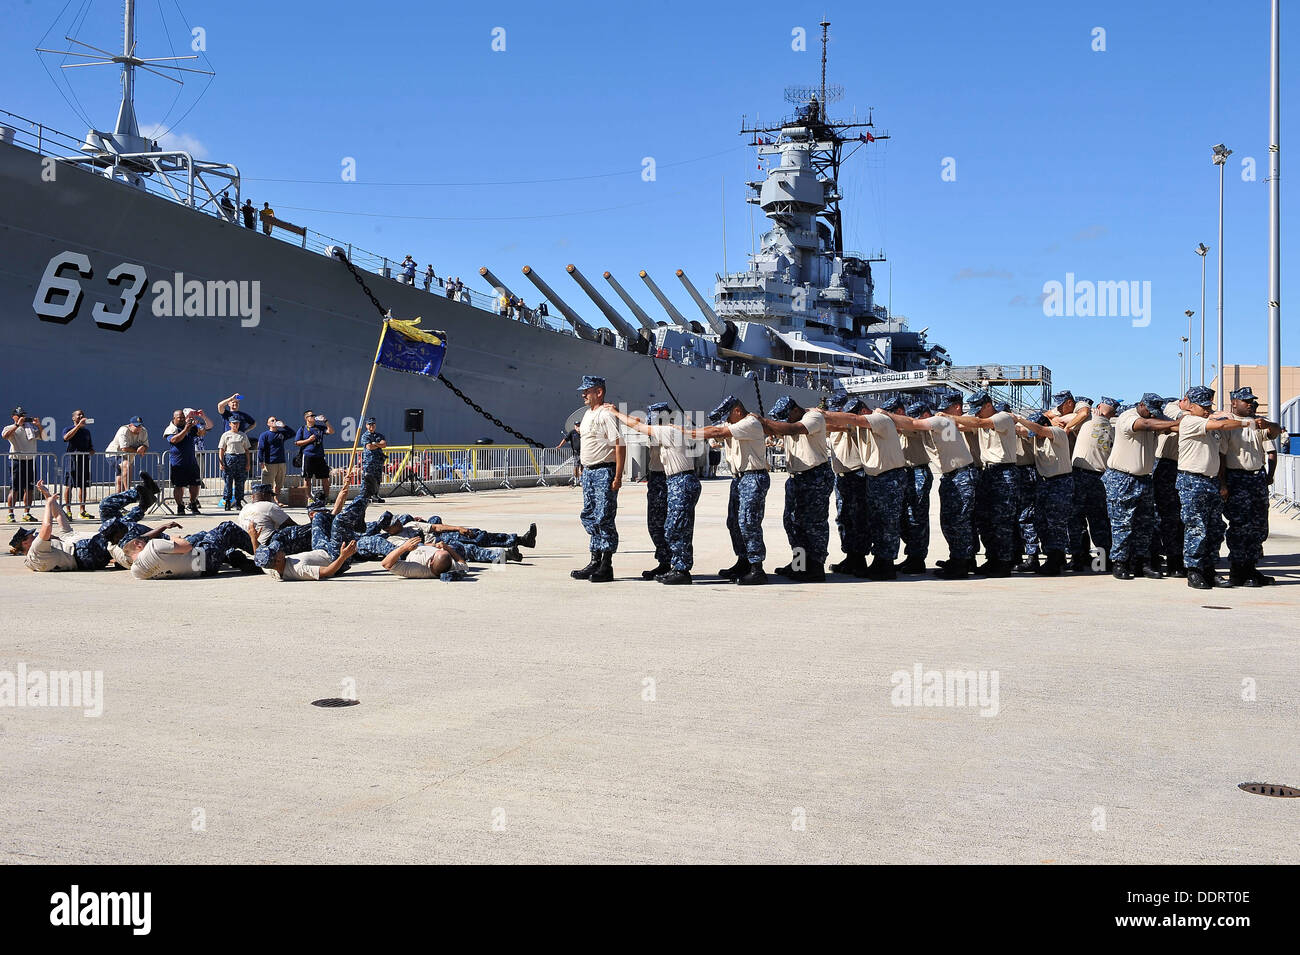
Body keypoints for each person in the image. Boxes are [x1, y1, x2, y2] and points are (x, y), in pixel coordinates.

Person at [605, 402, 700, 584]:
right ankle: (666, 561)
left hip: (676, 479)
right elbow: (638, 423)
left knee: (676, 526)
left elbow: (638, 425)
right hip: (661, 479)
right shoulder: (661, 430)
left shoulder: (668, 431)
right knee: (657, 524)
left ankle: (681, 568)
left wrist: (616, 412)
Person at [1176, 385, 1253, 589]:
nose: (1207, 409)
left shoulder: (1209, 423)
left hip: (1210, 481)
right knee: (1196, 527)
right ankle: (1194, 570)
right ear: (1191, 406)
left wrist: (1221, 483)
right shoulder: (1190, 421)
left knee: (1214, 528)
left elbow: (1219, 455)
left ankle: (1209, 568)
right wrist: (1246, 423)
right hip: (1192, 481)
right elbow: (1220, 425)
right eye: (1202, 406)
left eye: (1208, 405)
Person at [1102, 392, 1180, 580]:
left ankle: (1140, 562)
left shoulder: (1152, 418)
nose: (1153, 415)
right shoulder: (1128, 417)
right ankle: (1120, 563)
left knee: (1145, 524)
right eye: (1150, 411)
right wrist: (1175, 423)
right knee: (1122, 524)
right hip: (1122, 478)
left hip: (1144, 479)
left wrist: (1179, 422)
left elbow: (1165, 426)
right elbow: (1146, 425)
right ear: (1142, 405)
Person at [760, 395, 833, 582]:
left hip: (815, 475)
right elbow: (779, 429)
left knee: (814, 524)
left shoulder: (812, 417)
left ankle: (816, 568)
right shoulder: (790, 421)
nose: (785, 421)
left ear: (794, 410)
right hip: (796, 477)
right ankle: (799, 564)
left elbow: (794, 429)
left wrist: (764, 421)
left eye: (787, 416)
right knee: (792, 522)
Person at [915, 391, 985, 579]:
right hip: (954, 475)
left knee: (960, 521)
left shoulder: (952, 421)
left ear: (956, 407)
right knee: (952, 521)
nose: (942, 413)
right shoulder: (948, 423)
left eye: (946, 409)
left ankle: (962, 562)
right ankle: (961, 559)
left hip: (964, 474)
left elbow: (973, 424)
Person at [1220, 386, 1284, 587]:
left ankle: (1251, 567)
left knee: (1258, 525)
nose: (1250, 404)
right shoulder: (1228, 425)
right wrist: (1223, 484)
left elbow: (1274, 431)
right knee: (1240, 526)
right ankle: (1238, 570)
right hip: (1237, 478)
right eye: (1245, 401)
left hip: (1256, 477)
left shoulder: (1257, 422)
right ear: (1234, 403)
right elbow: (1222, 456)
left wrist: (1267, 423)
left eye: (1251, 401)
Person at [570, 376, 624, 583]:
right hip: (590, 472)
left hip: (604, 471)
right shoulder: (587, 414)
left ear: (599, 392)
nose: (583, 394)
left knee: (604, 517)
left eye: (587, 391)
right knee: (590, 515)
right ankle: (595, 560)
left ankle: (606, 565)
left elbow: (620, 445)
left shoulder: (606, 414)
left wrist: (618, 476)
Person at [11, 481, 125, 572]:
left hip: (84, 560)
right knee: (114, 531)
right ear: (25, 543)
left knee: (115, 543)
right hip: (82, 552)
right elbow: (46, 527)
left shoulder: (59, 543)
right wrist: (48, 504)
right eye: (32, 535)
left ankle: (124, 559)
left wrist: (47, 495)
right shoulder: (36, 549)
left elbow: (59, 516)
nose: (36, 535)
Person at [966, 391, 1020, 576]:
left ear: (988, 405)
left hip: (1004, 472)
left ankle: (1004, 562)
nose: (977, 414)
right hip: (987, 472)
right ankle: (993, 558)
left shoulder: (1002, 417)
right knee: (985, 519)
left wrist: (947, 416)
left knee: (1002, 520)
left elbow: (980, 423)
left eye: (979, 409)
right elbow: (967, 425)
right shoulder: (982, 419)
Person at [1013, 412, 1073, 575]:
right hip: (1044, 482)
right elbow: (1024, 431)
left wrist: (1019, 419)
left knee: (1056, 523)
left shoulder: (1057, 433)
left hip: (1059, 482)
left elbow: (1038, 429)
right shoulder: (1035, 437)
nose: (1033, 435)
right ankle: (1054, 556)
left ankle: (1055, 559)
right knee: (1041, 522)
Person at [1068, 395, 1117, 572]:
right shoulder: (1111, 427)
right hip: (1097, 477)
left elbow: (1057, 417)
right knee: (1098, 521)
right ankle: (1101, 561)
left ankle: (1080, 558)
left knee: (1077, 519)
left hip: (1083, 474)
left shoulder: (1089, 417)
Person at [823, 395, 869, 578]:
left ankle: (860, 559)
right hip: (841, 477)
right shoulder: (836, 424)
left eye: (837, 409)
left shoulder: (851, 421)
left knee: (859, 519)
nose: (835, 412)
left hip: (857, 475)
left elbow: (841, 424)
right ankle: (850, 556)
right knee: (844, 519)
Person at [125, 520, 259, 578]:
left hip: (204, 571)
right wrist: (172, 538)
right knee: (226, 528)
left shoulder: (137, 572)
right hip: (205, 557)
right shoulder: (152, 547)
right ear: (138, 545)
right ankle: (261, 554)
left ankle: (237, 559)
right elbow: (186, 546)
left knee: (199, 537)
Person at [897, 397, 935, 574]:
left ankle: (918, 558)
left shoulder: (921, 427)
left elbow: (908, 427)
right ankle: (911, 555)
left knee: (917, 517)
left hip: (918, 472)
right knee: (906, 517)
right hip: (907, 473)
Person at [166, 408, 207, 514]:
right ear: (174, 418)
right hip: (178, 463)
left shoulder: (189, 427)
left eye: (183, 417)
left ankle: (193, 503)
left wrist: (198, 426)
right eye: (179, 417)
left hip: (191, 462)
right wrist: (185, 430)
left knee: (195, 484)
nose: (182, 419)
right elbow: (174, 440)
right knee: (179, 486)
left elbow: (201, 433)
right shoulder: (170, 429)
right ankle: (180, 506)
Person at [4, 406, 41, 523]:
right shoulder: (10, 427)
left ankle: (27, 513)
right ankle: (10, 514)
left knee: (29, 488)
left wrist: (38, 425)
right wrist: (17, 425)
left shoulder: (30, 428)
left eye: (23, 416)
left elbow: (43, 436)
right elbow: (5, 436)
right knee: (14, 489)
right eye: (19, 416)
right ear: (14, 417)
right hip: (16, 461)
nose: (22, 418)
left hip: (29, 460)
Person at [236, 483, 295, 552]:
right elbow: (291, 524)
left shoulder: (245, 508)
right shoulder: (269, 506)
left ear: (253, 497)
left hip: (248, 546)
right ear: (265, 495)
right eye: (271, 496)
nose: (272, 499)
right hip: (266, 545)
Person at [380, 536, 469, 580]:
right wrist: (447, 548)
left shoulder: (417, 569)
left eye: (435, 553)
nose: (440, 549)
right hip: (422, 544)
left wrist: (404, 547)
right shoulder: (450, 566)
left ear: (430, 562)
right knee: (458, 547)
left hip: (406, 550)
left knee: (379, 541)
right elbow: (463, 564)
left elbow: (386, 564)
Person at [295, 410, 335, 500]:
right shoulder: (302, 429)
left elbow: (331, 431)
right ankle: (309, 497)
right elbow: (297, 442)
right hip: (308, 456)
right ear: (306, 418)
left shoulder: (319, 428)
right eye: (311, 415)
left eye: (314, 415)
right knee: (307, 478)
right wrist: (309, 440)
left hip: (320, 456)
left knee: (325, 477)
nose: (313, 417)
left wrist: (326, 421)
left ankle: (326, 497)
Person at [62, 409, 94, 519]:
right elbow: (66, 438)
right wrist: (78, 426)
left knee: (83, 486)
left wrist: (91, 450)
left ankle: (82, 511)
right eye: (78, 414)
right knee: (69, 486)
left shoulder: (86, 432)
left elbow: (90, 446)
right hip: (71, 460)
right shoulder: (68, 429)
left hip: (84, 461)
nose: (81, 416)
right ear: (73, 418)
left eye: (82, 414)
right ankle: (68, 511)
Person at [105, 416, 150, 493]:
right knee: (127, 465)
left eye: (140, 425)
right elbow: (124, 448)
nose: (139, 428)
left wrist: (143, 447)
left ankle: (118, 500)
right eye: (136, 426)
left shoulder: (144, 431)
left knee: (120, 481)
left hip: (128, 457)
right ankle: (128, 492)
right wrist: (138, 451)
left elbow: (146, 445)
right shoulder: (124, 430)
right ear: (130, 425)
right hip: (114, 454)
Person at [217, 417, 253, 511]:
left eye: (237, 423)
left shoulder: (243, 435)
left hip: (241, 458)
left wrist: (248, 463)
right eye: (233, 423)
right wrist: (221, 462)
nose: (235, 425)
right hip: (229, 458)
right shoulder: (226, 435)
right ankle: (227, 501)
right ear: (230, 424)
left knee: (240, 482)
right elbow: (221, 449)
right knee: (228, 481)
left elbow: (247, 450)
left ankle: (238, 501)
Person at [257, 416, 296, 497]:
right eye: (272, 420)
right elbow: (261, 448)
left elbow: (293, 433)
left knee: (279, 484)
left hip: (281, 462)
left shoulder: (281, 434)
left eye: (276, 420)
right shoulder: (264, 435)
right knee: (267, 483)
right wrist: (261, 461)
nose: (275, 421)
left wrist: (284, 426)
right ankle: (267, 499)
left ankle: (276, 500)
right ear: (268, 424)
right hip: (270, 462)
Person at [358, 417, 387, 502]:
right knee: (367, 478)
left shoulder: (379, 435)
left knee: (377, 478)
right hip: (369, 461)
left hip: (378, 460)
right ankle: (364, 496)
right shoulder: (365, 436)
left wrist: (375, 443)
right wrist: (378, 444)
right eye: (369, 424)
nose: (372, 426)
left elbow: (384, 444)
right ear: (366, 425)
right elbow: (369, 447)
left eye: (373, 424)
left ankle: (375, 495)